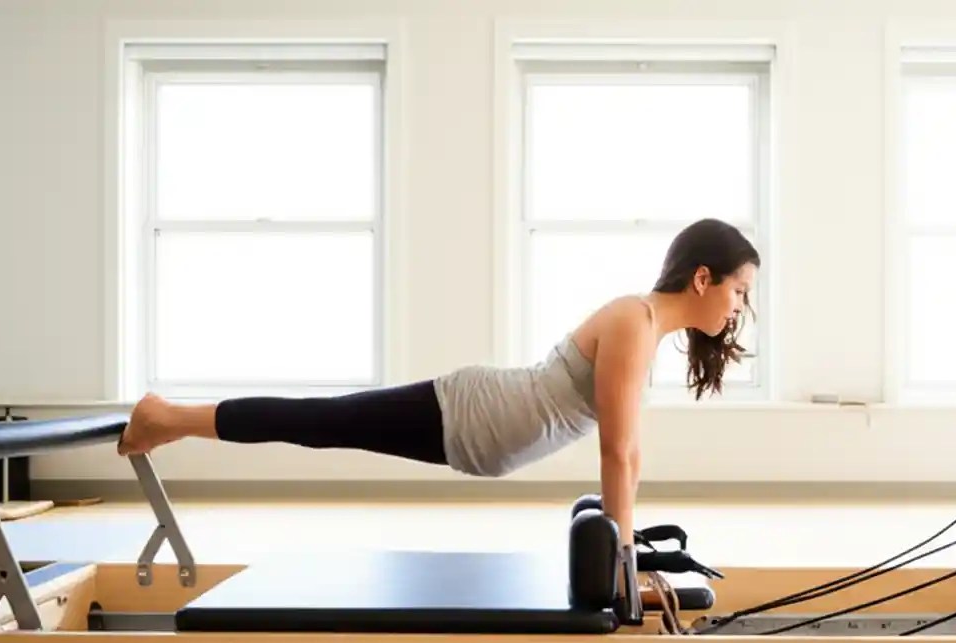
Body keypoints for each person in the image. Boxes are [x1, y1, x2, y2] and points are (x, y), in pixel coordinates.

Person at [116, 217, 759, 549]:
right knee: (319, 423)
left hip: (478, 434)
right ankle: (167, 418)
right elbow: (617, 451)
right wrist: (622, 565)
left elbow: (630, 452)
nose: (737, 307)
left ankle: (170, 418)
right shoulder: (632, 320)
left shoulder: (644, 332)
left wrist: (625, 548)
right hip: (468, 413)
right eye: (738, 289)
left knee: (321, 424)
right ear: (702, 278)